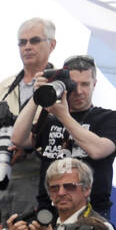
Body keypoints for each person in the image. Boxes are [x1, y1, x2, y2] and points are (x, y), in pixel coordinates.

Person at [11, 53, 116, 218]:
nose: (79, 91)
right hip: (49, 213)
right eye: (73, 85)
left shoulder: (108, 118)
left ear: (95, 84)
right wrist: (38, 95)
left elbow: (98, 150)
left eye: (85, 84)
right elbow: (18, 139)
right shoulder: (49, 119)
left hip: (90, 214)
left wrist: (64, 116)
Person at [0, 17, 59, 217]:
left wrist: (29, 144)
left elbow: (63, 129)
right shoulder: (5, 86)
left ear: (52, 44)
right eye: (22, 42)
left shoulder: (59, 85)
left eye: (34, 41)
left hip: (36, 177)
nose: (27, 47)